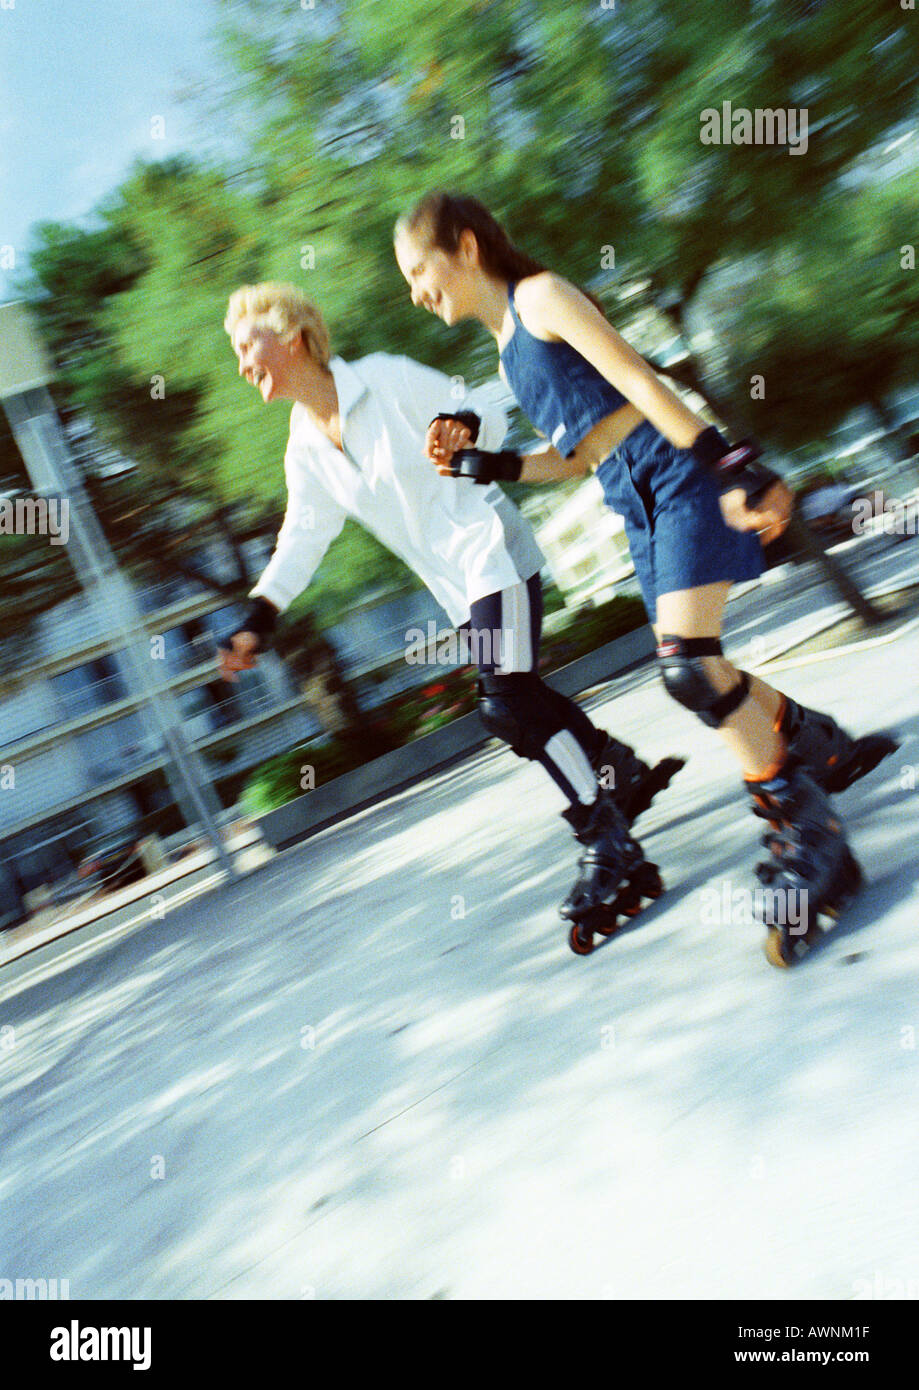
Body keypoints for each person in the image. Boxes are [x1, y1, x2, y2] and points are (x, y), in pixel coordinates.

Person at [394, 193, 897, 965]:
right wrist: (490, 465)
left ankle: (810, 835)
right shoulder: (504, 350)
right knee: (698, 666)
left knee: (688, 668)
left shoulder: (540, 297)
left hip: (674, 476)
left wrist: (728, 463)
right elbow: (579, 452)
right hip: (629, 495)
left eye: (418, 270)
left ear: (463, 248)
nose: (414, 293)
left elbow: (637, 380)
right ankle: (813, 743)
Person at [217, 282, 683, 948]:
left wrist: (458, 427)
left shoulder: (382, 379)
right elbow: (300, 540)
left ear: (290, 334)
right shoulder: (305, 447)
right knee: (520, 697)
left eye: (245, 345)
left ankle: (606, 841)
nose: (241, 364)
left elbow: (481, 407)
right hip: (456, 584)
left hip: (491, 549)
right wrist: (254, 622)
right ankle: (616, 767)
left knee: (505, 702)